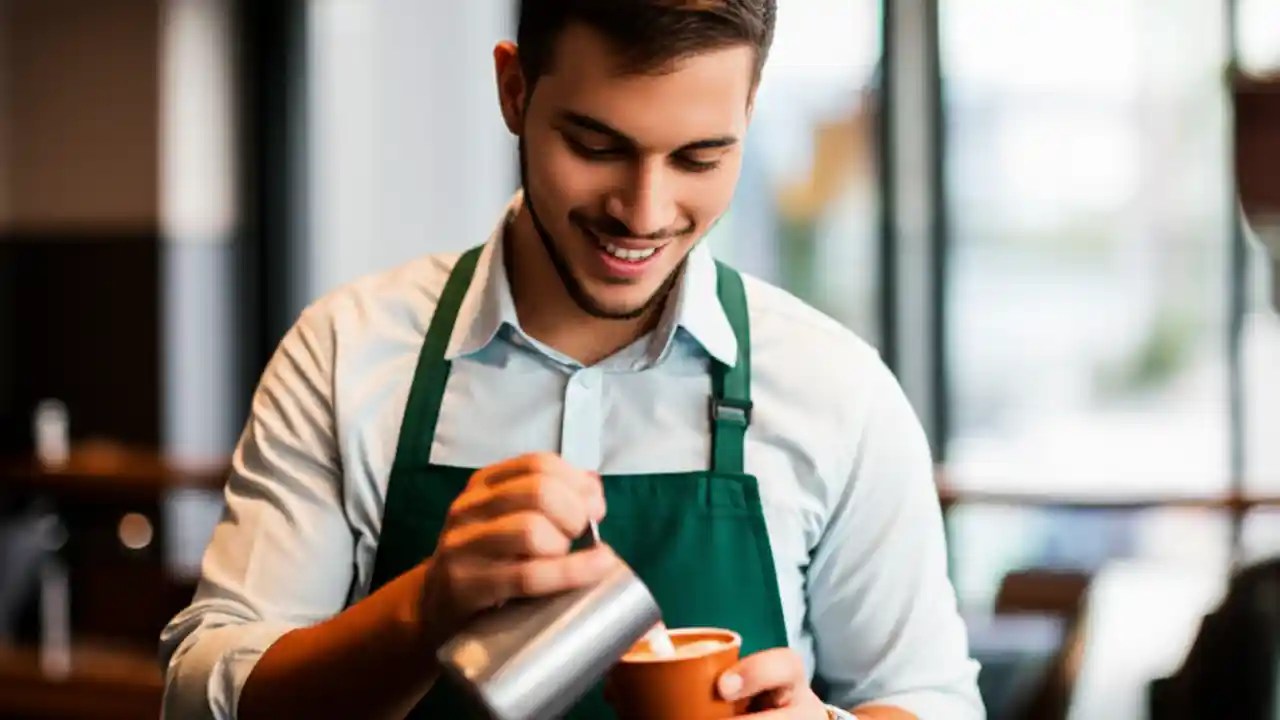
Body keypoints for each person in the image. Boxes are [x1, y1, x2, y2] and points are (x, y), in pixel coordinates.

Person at [159, 1, 983, 718]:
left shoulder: (837, 389)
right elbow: (201, 696)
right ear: (514, 90)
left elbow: (931, 699)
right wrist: (425, 610)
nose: (645, 212)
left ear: (750, 110)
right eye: (596, 146)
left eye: (699, 158)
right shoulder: (346, 353)